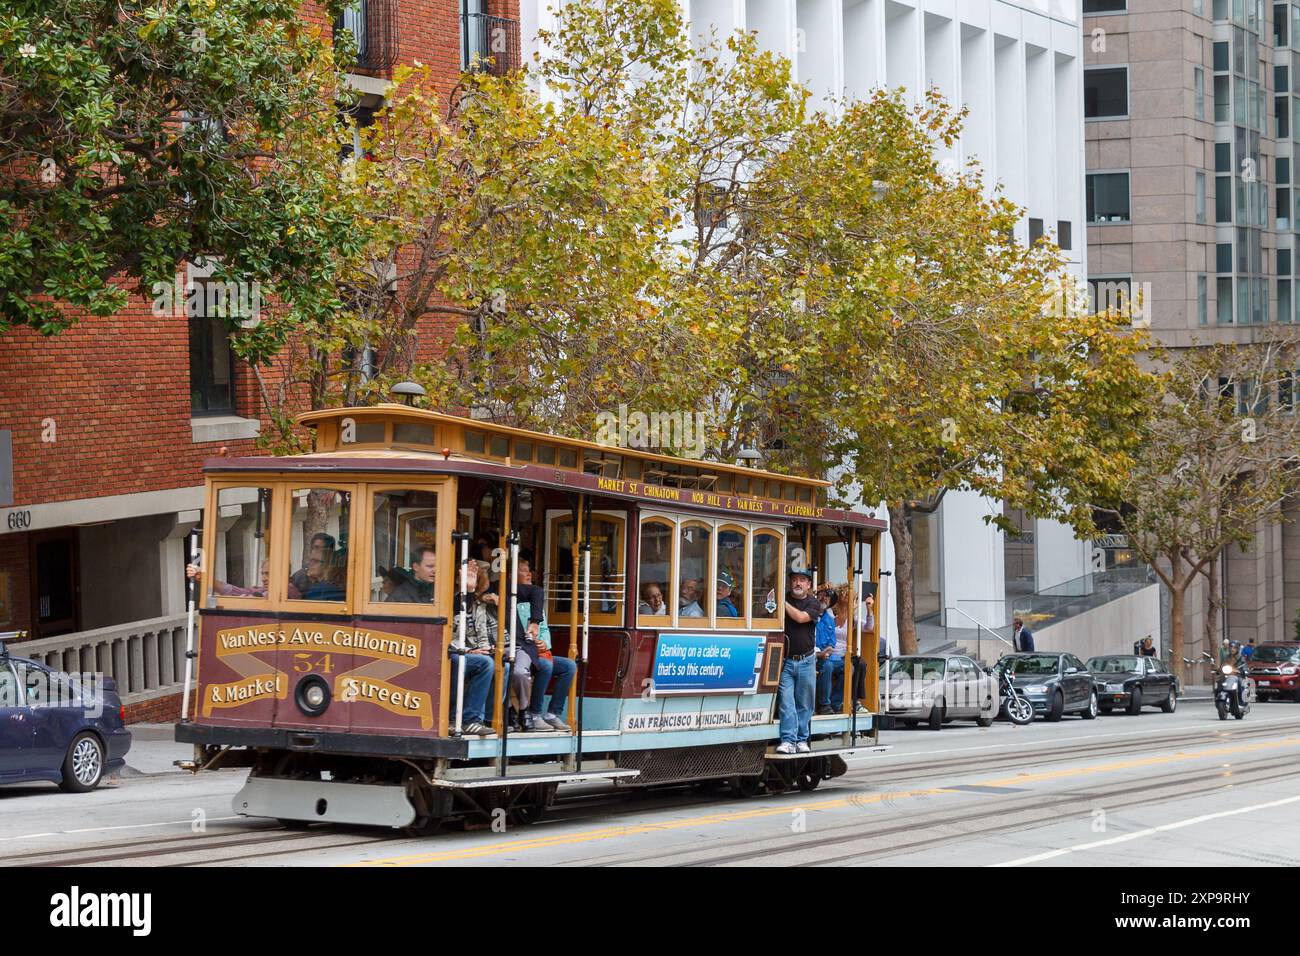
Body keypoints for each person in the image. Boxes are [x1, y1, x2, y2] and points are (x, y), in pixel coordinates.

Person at [512, 559, 575, 732]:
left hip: (539, 651)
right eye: (523, 571)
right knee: (546, 665)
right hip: (523, 651)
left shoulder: (536, 603)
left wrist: (544, 642)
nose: (528, 574)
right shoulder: (512, 602)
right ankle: (534, 713)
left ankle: (552, 714)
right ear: (511, 576)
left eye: (529, 570)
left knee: (569, 666)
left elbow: (544, 628)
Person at [448, 560, 496, 736]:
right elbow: (447, 635)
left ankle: (483, 718)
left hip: (465, 650)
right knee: (483, 664)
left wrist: (484, 648)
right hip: (448, 651)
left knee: (497, 663)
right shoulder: (448, 599)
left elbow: (481, 631)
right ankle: (465, 719)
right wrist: (468, 651)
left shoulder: (477, 604)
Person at [778, 567, 821, 754]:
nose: (798, 583)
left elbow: (801, 618)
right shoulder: (784, 598)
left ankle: (802, 739)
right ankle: (788, 740)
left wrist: (782, 602)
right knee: (786, 703)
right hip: (786, 661)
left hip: (806, 660)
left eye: (802, 580)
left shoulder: (813, 603)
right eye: (794, 579)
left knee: (804, 703)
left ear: (809, 585)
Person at [186, 557, 303, 599]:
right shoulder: (262, 590)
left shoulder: (288, 590)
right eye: (262, 573)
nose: (263, 578)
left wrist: (246, 598)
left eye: (268, 574)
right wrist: (204, 578)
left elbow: (259, 599)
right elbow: (235, 591)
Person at [814, 586, 841, 715]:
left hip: (827, 656)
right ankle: (824, 704)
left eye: (828, 597)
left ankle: (836, 703)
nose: (824, 598)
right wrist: (820, 654)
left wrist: (829, 649)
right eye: (822, 595)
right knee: (828, 666)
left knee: (849, 667)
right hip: (812, 657)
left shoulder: (829, 619)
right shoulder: (810, 615)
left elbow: (832, 641)